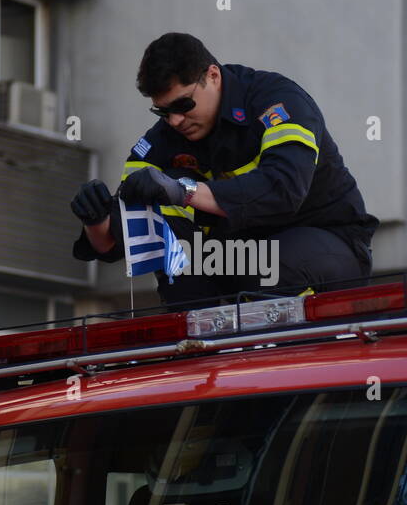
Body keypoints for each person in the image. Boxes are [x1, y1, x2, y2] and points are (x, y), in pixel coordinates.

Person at [71, 33, 379, 305]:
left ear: (213, 76)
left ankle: (288, 356)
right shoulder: (161, 141)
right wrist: (95, 219)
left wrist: (185, 192)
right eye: (162, 111)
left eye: (183, 105)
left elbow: (284, 190)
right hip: (239, 259)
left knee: (263, 266)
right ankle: (195, 343)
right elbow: (119, 242)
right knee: (168, 229)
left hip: (329, 243)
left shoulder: (277, 102)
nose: (174, 121)